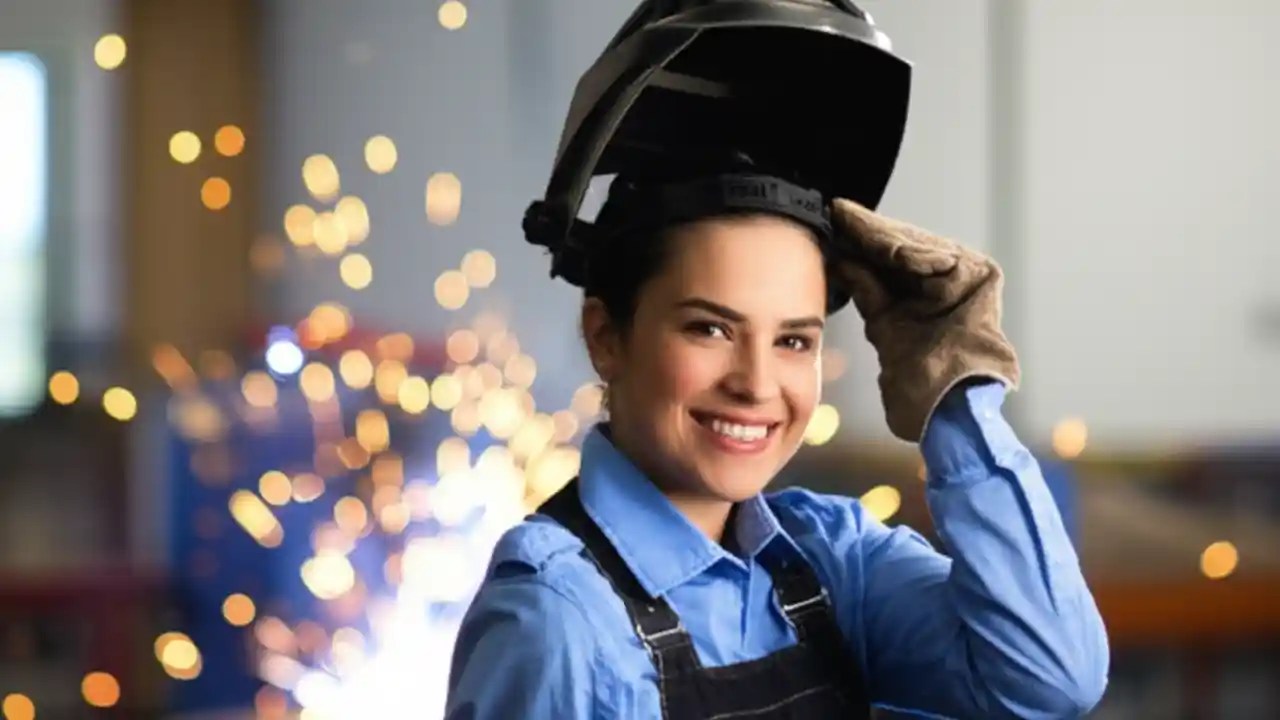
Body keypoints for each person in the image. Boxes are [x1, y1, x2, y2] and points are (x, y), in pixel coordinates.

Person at [442, 150, 1110, 719]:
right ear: (605, 337)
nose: (758, 384)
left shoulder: (833, 561)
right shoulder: (557, 620)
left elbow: (1046, 681)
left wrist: (953, 390)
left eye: (794, 340)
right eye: (710, 328)